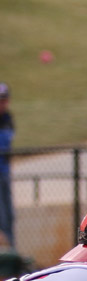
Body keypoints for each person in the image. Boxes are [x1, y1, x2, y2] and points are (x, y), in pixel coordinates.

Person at [0, 83, 14, 249]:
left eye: (4, 100)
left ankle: (12, 253)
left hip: (5, 174)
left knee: (9, 217)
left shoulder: (8, 119)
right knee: (2, 218)